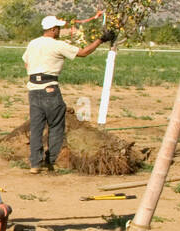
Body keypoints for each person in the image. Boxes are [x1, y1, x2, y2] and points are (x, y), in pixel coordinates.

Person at [22, 14, 115, 173]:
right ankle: (50, 162)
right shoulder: (57, 45)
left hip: (33, 90)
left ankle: (35, 164)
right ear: (52, 29)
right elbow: (83, 53)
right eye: (58, 28)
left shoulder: (33, 44)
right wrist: (101, 40)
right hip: (50, 89)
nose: (60, 30)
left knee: (36, 127)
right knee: (56, 126)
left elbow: (26, 62)